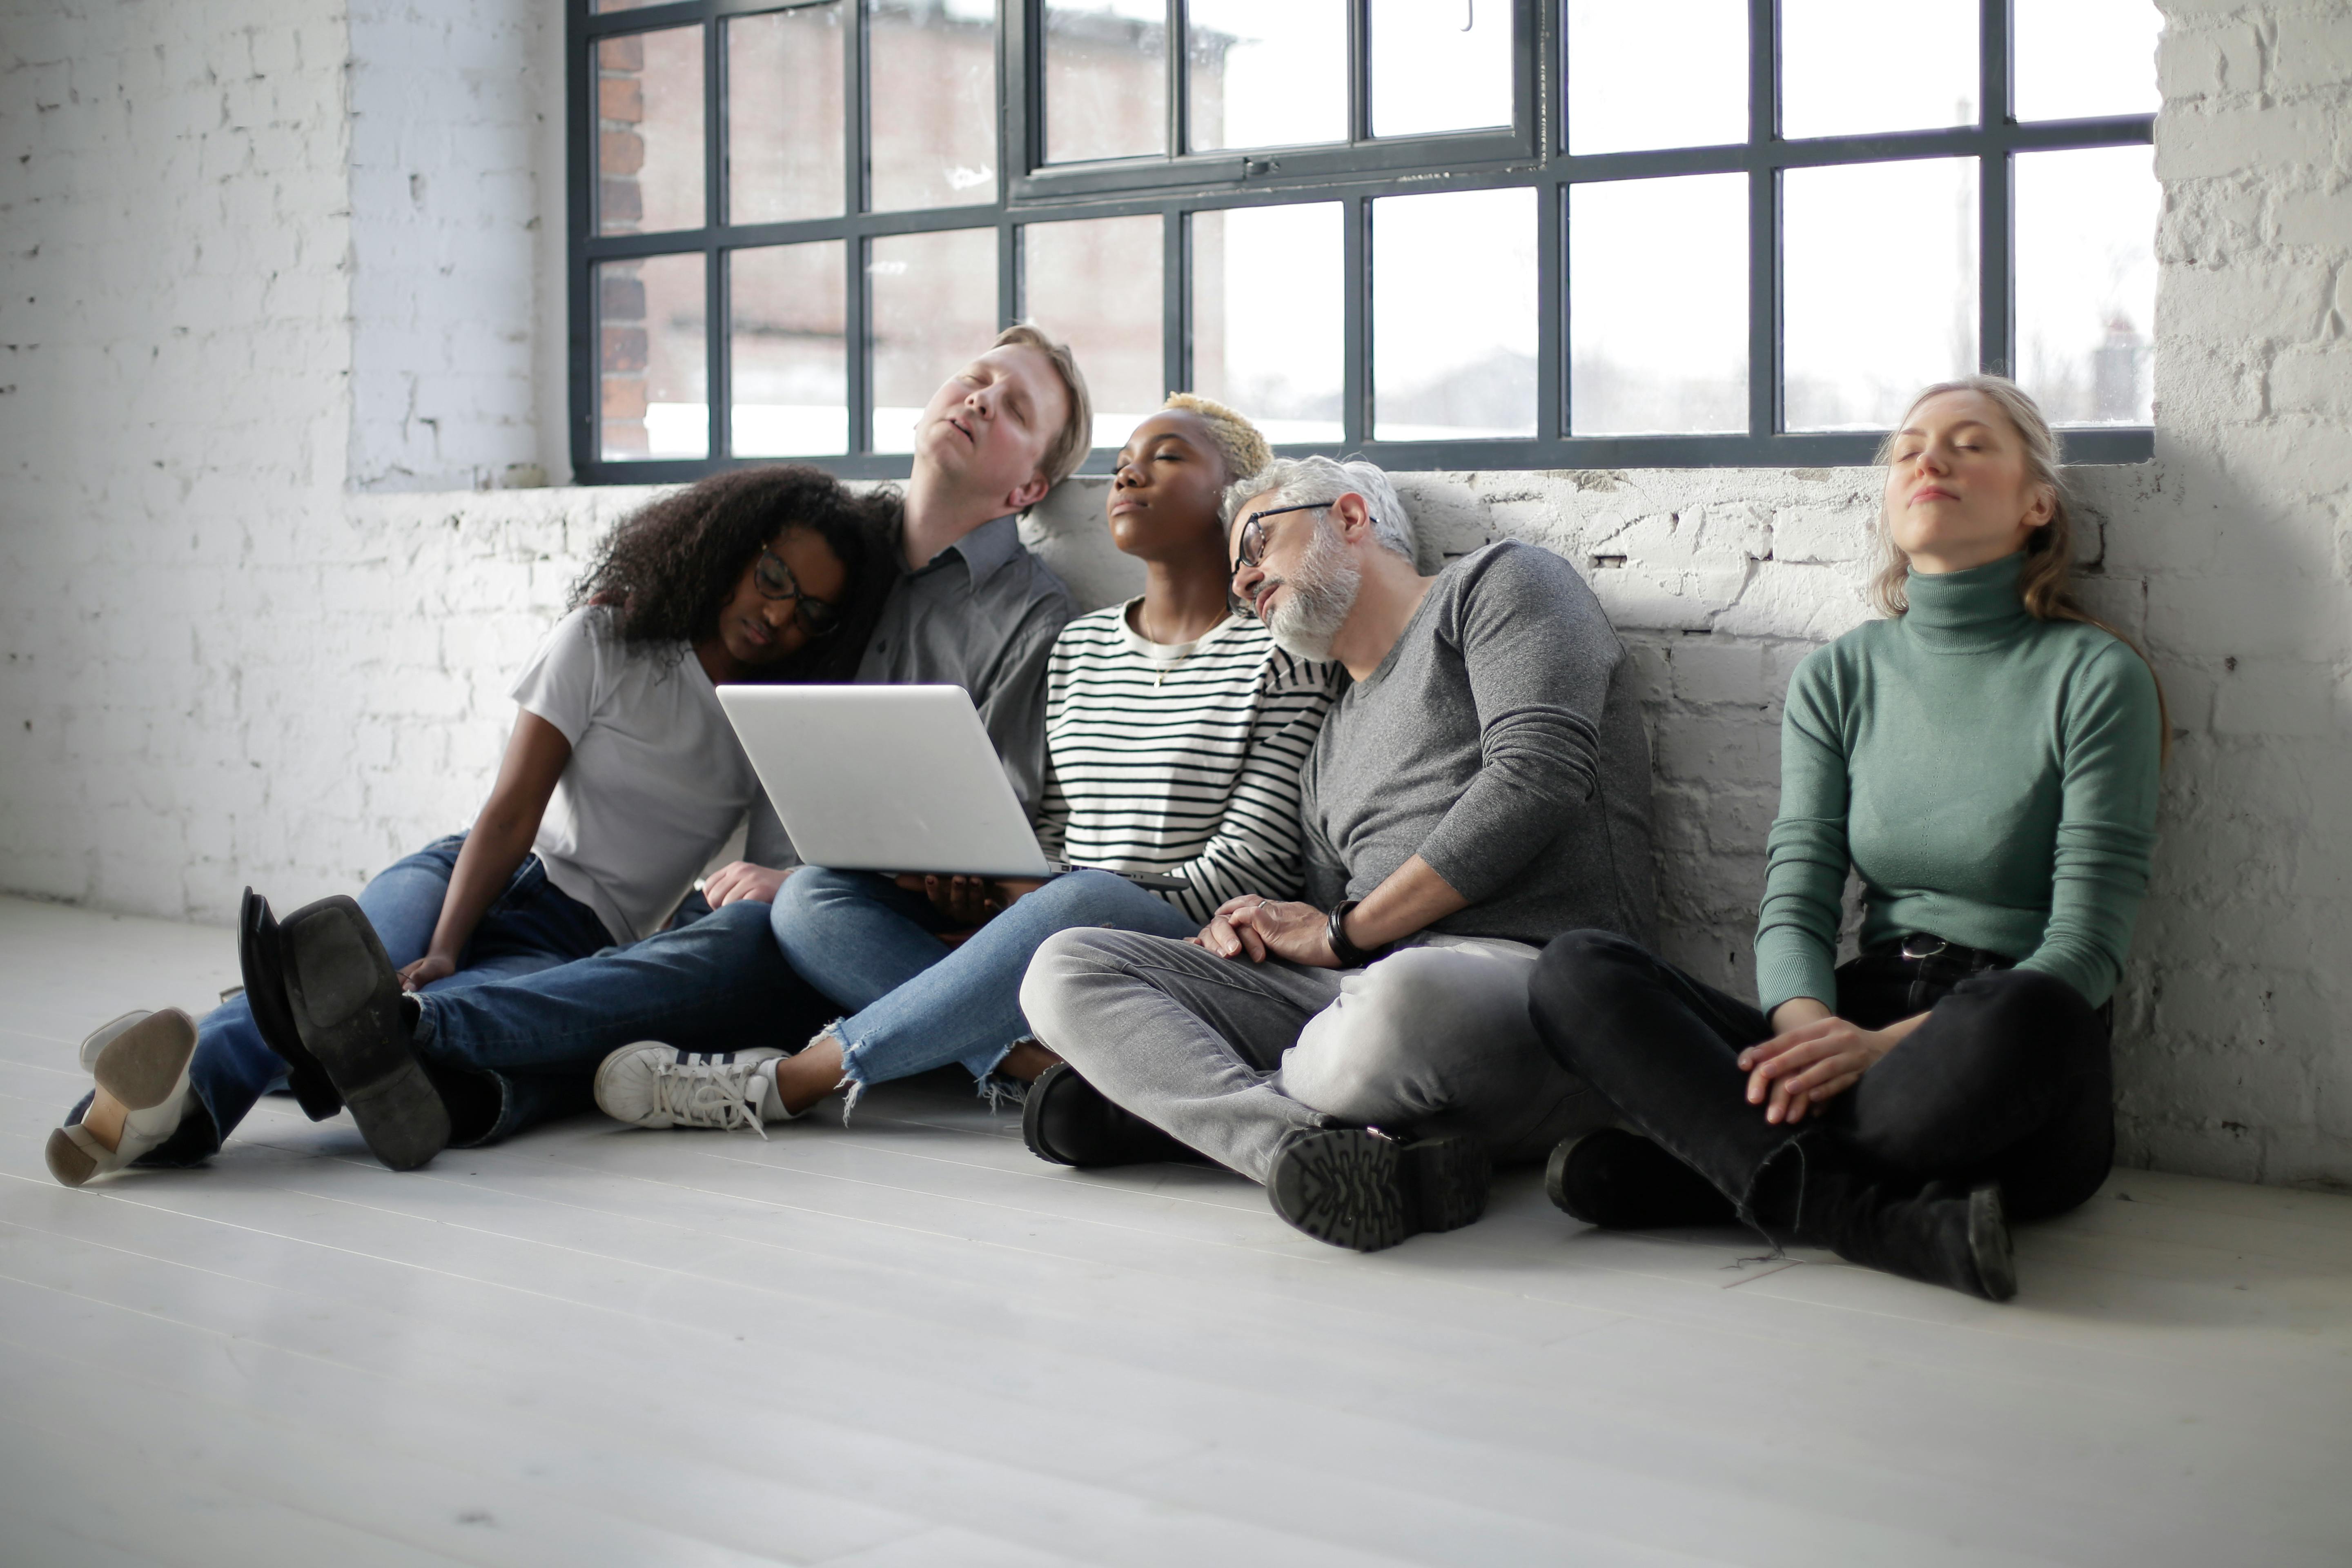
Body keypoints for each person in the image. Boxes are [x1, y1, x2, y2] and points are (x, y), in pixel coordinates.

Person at [128, 324, 1094, 1170]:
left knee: (766, 927)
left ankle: (405, 1036)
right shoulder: (832, 548)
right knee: (462, 947)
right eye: (975, 376)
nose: (978, 399)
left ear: (1030, 486)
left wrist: (802, 874)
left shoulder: (1025, 614)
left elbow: (982, 834)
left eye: (1013, 407)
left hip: (812, 913)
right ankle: (195, 1095)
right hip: (661, 888)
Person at [47, 466, 889, 1185]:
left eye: (812, 613)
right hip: (470, 872)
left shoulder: (766, 721)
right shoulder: (607, 635)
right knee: (351, 973)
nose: (782, 617)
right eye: (776, 580)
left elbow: (752, 883)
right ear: (733, 548)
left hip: (574, 938)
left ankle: (170, 1111)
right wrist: (447, 941)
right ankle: (142, 1109)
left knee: (399, 1014)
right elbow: (511, 812)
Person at [1525, 376, 2165, 1303]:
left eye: (1970, 443)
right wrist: (1813, 1029)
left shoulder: (2096, 676)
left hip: (1988, 1052)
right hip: (1850, 1019)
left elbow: (2087, 949)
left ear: (2038, 505)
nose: (1928, 460)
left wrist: (1882, 1053)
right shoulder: (1843, 676)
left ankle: (1711, 1169)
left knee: (2038, 1010)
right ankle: (1861, 1217)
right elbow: (1797, 897)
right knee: (1573, 971)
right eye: (1907, 447)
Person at [595, 396, 1345, 1127]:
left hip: (1178, 945)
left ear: (1236, 498)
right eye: (1121, 462)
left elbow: (1245, 877)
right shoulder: (1080, 648)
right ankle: (1042, 1072)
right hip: (1047, 927)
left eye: (1167, 456)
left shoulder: (1283, 653)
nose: (1128, 475)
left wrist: (1036, 893)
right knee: (811, 900)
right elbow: (1055, 832)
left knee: (1079, 906)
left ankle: (792, 1081)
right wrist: (996, 897)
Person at [1017, 455, 1657, 1252]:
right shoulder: (1326, 750)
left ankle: (1181, 1115)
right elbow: (1330, 945)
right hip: (1356, 993)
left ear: (1350, 518)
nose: (1244, 581)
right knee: (1065, 967)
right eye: (1236, 571)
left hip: (1525, 981)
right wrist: (1258, 935)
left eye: (1258, 546)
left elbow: (1539, 776)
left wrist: (1342, 933)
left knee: (1401, 1005)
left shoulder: (1499, 585)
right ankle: (1311, 1150)